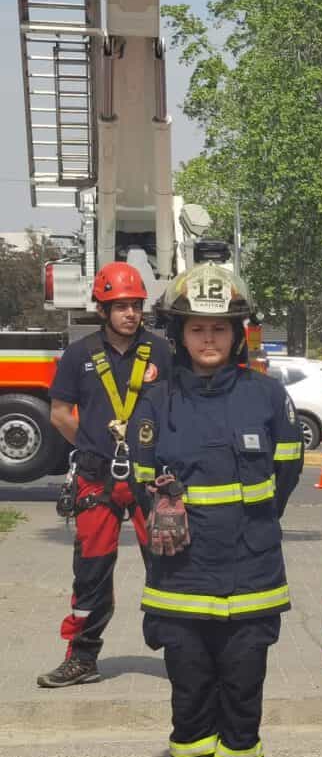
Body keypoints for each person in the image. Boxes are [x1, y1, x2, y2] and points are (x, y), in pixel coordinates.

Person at [126, 262, 305, 757]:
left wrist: (251, 524)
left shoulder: (267, 396)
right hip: (180, 578)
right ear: (178, 333)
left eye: (220, 329)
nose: (208, 339)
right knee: (191, 691)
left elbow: (286, 473)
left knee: (243, 688)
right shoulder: (155, 401)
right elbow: (139, 479)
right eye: (197, 329)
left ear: (238, 335)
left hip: (252, 575)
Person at [37, 262, 173, 688]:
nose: (130, 313)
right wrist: (95, 444)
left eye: (135, 305)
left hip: (151, 479)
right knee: (91, 571)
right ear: (102, 309)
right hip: (97, 478)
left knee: (170, 564)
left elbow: (178, 412)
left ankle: (181, 648)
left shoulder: (161, 352)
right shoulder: (79, 355)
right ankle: (82, 656)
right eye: (120, 306)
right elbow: (59, 414)